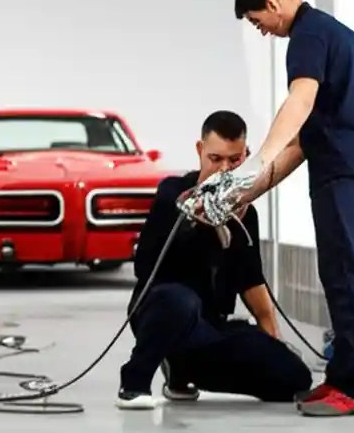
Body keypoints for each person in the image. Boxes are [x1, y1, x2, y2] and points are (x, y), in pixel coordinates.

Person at [226, 0, 354, 417]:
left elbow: (297, 105)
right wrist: (248, 191)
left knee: (347, 272)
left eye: (258, 21)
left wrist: (258, 157)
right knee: (338, 273)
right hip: (348, 166)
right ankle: (342, 375)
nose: (262, 30)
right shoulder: (328, 33)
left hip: (345, 169)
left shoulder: (307, 37)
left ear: (275, 3)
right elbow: (301, 143)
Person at [116, 111, 313, 410]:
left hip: (207, 331)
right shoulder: (172, 193)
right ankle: (134, 381)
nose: (223, 169)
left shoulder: (247, 215)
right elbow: (144, 267)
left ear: (246, 156)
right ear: (199, 151)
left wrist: (274, 341)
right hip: (161, 313)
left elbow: (252, 282)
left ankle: (181, 371)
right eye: (215, 158)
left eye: (234, 161)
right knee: (179, 302)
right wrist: (192, 223)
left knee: (294, 377)